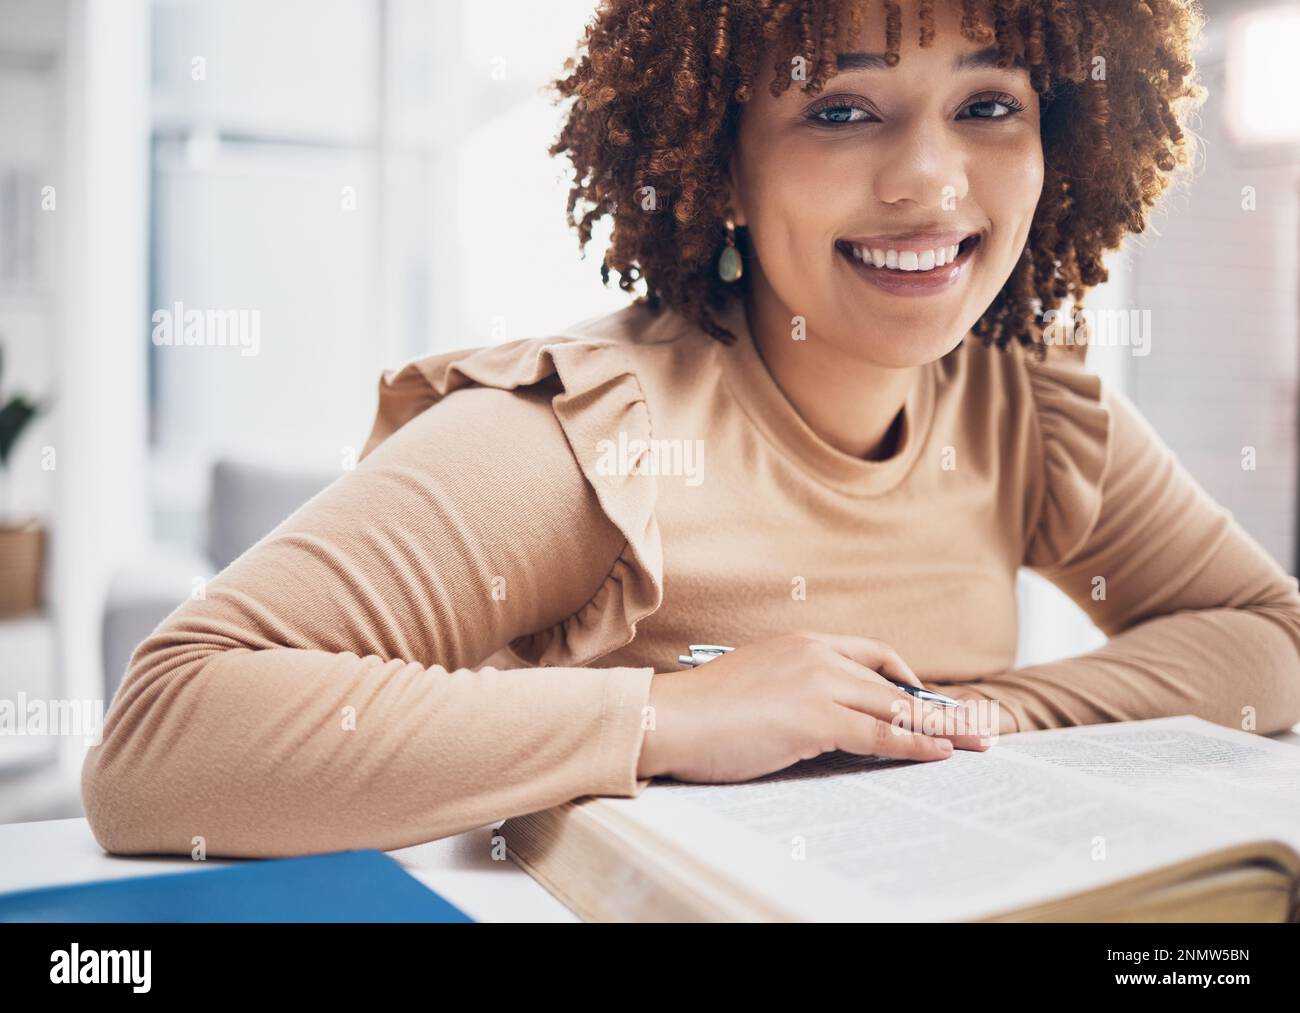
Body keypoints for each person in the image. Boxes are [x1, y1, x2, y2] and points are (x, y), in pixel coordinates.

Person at [82, 0, 1300, 858]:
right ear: (720, 163)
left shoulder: (1021, 398)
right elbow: (165, 735)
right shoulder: (587, 438)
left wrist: (961, 720)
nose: (931, 181)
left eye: (989, 102)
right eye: (840, 110)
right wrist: (676, 720)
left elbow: (1267, 634)